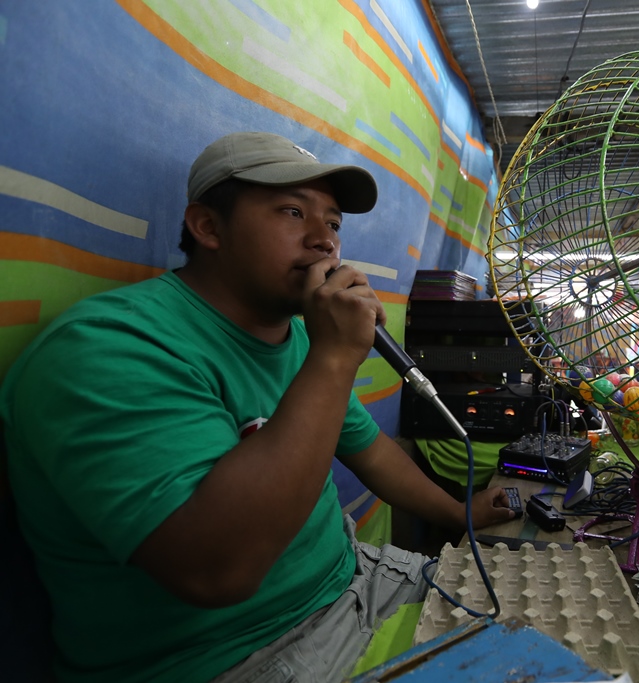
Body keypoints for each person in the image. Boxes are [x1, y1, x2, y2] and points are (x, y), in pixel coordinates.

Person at [0, 132, 515, 683]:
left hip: (355, 581)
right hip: (242, 654)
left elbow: (371, 451)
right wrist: (336, 358)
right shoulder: (107, 349)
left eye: (335, 223)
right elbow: (216, 572)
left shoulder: (297, 340)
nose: (324, 242)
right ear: (208, 226)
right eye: (293, 212)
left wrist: (463, 514)